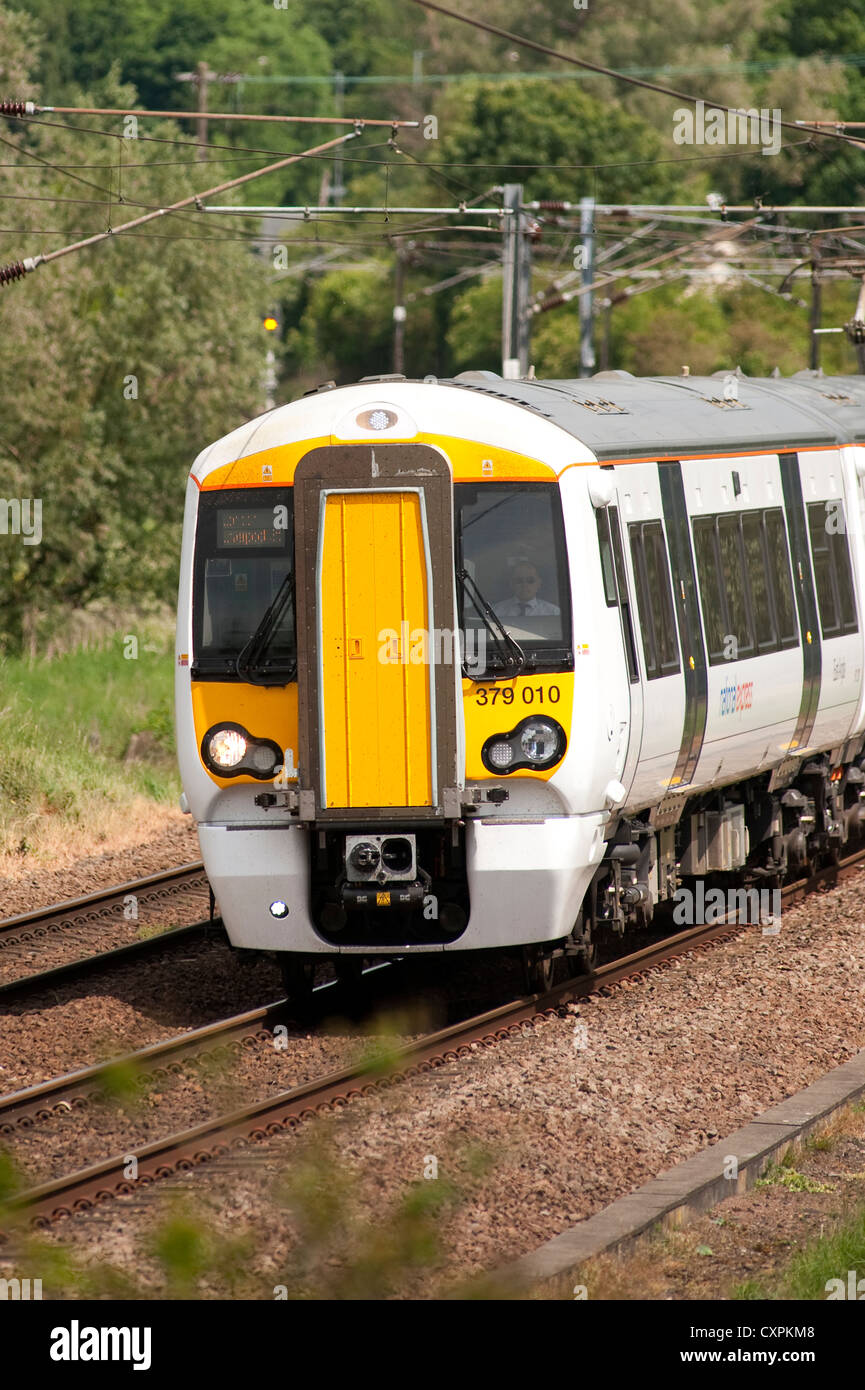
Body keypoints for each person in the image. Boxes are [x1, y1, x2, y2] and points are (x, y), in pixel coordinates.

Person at [494, 561, 560, 617]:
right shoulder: (496, 612)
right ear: (511, 584)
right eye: (519, 581)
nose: (524, 585)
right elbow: (484, 631)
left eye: (530, 580)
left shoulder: (553, 612)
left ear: (539, 583)